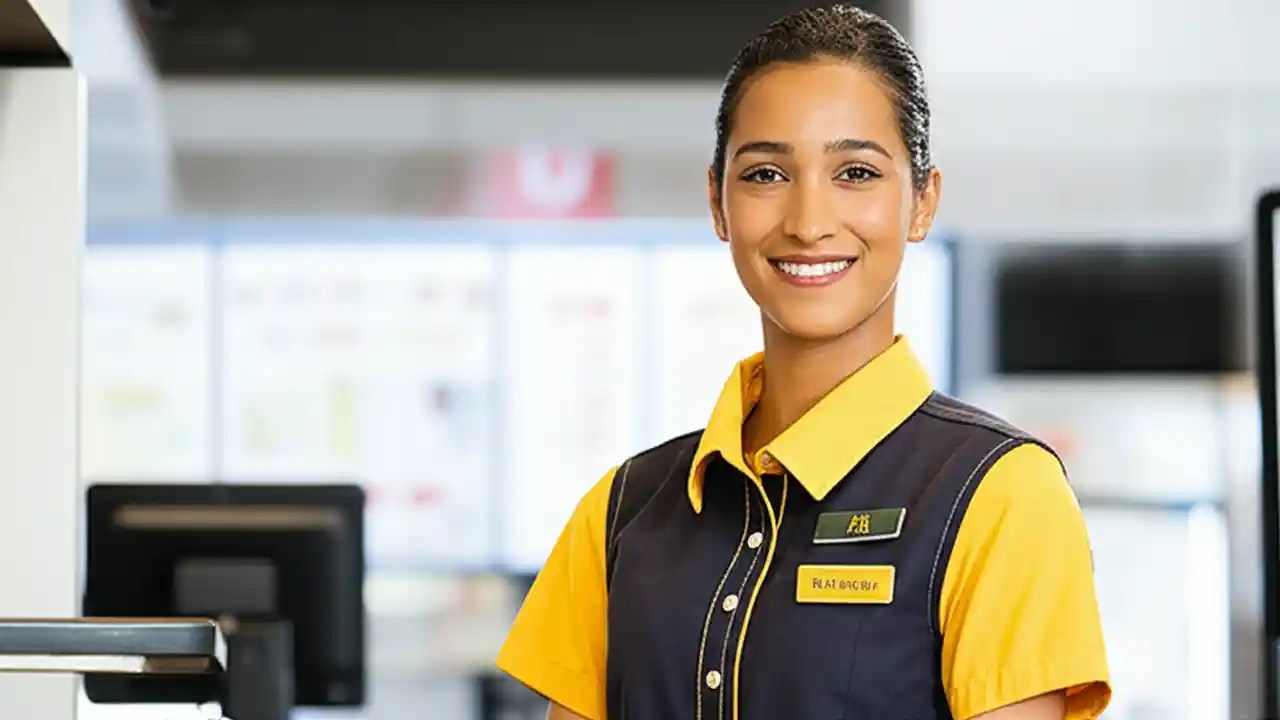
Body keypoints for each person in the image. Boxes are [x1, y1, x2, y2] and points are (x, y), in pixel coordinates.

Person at [495, 5, 1111, 719]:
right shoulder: (620, 513)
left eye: (855, 172)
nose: (809, 221)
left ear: (922, 202)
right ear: (718, 203)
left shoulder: (1001, 496)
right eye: (765, 173)